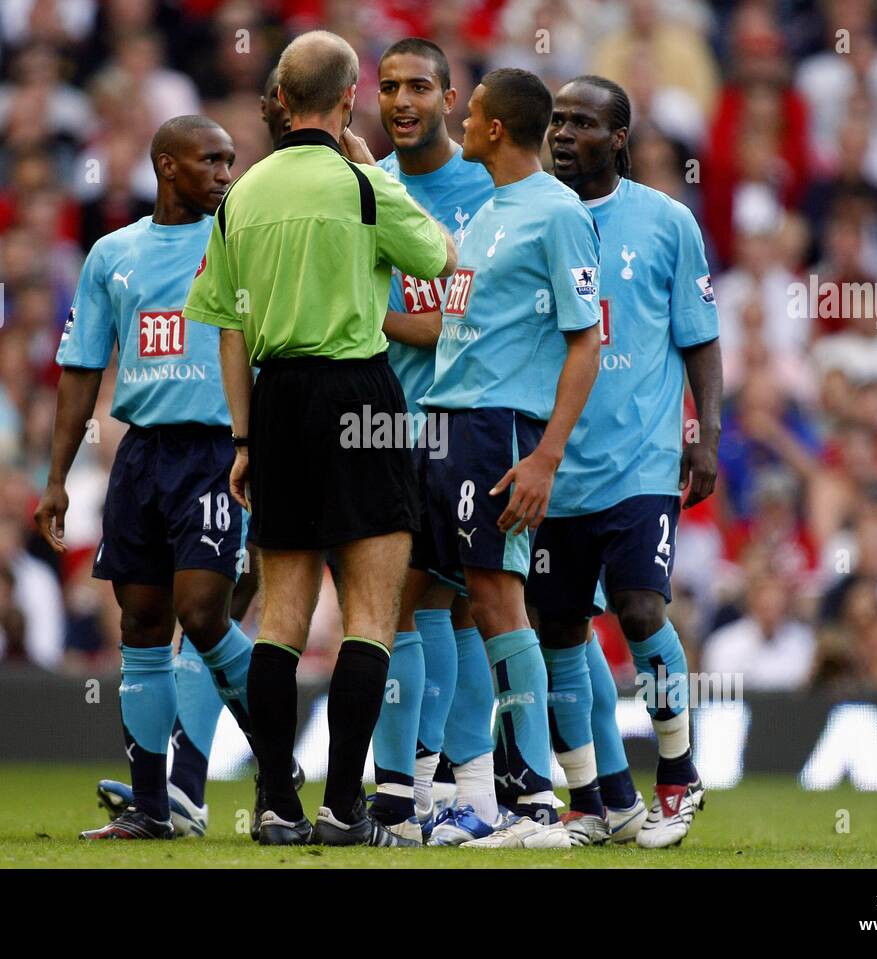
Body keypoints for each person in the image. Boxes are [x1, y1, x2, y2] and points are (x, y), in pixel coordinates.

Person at [183, 30, 457, 847]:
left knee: (280, 617)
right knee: (371, 612)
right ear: (347, 102)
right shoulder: (362, 185)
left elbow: (226, 326)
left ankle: (274, 803)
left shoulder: (242, 195)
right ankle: (344, 807)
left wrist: (242, 439)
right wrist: (371, 168)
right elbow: (442, 259)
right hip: (358, 394)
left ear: (278, 98)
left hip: (276, 403)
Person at [35, 116, 282, 840]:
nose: (225, 174)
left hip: (218, 453)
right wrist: (57, 476)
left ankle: (272, 757)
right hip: (141, 457)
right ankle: (153, 806)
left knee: (205, 613)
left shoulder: (239, 246)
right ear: (167, 166)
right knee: (142, 623)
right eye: (211, 161)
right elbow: (82, 366)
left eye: (232, 161)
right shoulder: (114, 254)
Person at [418, 68, 602, 849]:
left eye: (473, 110)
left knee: (498, 600)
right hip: (447, 423)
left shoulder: (558, 213)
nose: (460, 118)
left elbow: (586, 338)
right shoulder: (490, 208)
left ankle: (534, 801)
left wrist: (546, 457)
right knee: (436, 595)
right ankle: (455, 795)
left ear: (495, 128)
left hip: (502, 428)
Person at [540, 76, 721, 848]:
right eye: (555, 120)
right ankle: (590, 802)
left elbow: (700, 336)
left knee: (642, 609)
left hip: (641, 460)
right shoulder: (530, 220)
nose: (561, 134)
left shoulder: (666, 222)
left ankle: (677, 777)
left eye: (581, 122)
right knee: (557, 630)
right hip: (552, 465)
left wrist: (705, 433)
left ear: (618, 139)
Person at [365, 37, 497, 842]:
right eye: (388, 87)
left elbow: (470, 320)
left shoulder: (488, 190)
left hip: (463, 423)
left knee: (440, 604)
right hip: (381, 428)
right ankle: (447, 794)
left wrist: (367, 316)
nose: (402, 100)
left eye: (419, 86)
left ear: (451, 99)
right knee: (420, 608)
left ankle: (424, 794)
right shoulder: (370, 186)